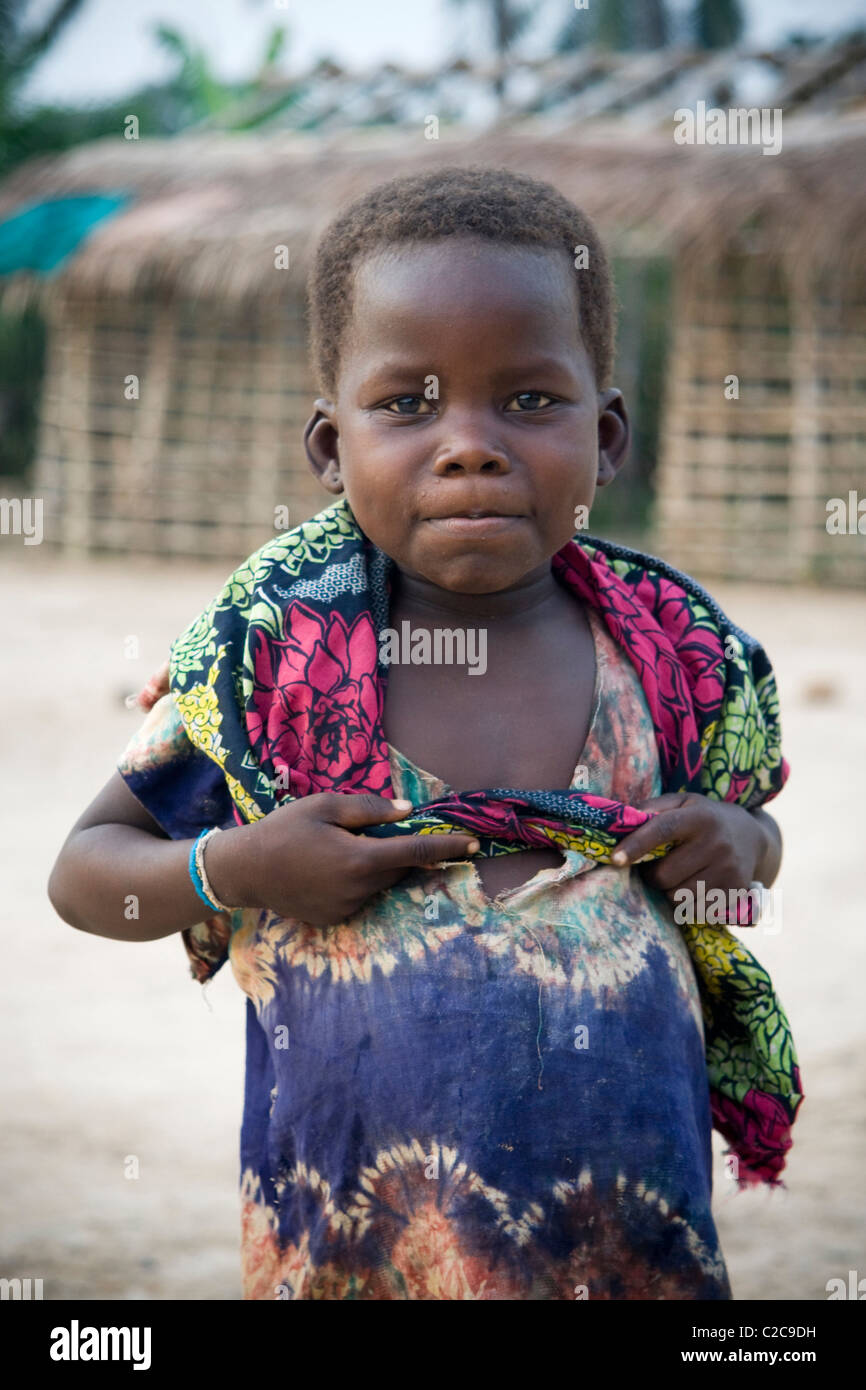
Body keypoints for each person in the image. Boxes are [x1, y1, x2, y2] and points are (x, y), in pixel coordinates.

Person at [48, 166, 801, 1300]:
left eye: (529, 401)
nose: (467, 446)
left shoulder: (668, 656)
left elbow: (747, 843)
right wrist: (240, 864)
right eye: (406, 404)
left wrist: (739, 845)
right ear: (328, 446)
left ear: (605, 439)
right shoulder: (272, 666)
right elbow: (88, 877)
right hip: (353, 1251)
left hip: (628, 1253)